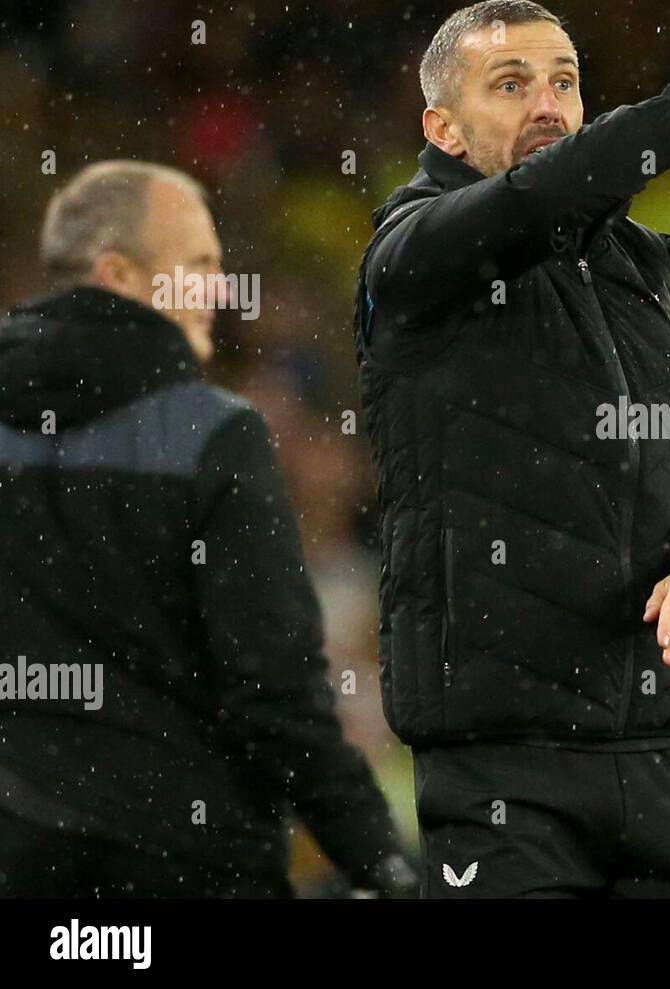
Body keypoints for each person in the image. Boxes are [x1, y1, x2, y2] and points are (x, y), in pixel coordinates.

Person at [353, 0, 670, 897]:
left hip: (661, 750)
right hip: (500, 763)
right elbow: (537, 197)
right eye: (510, 84)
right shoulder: (413, 255)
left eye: (565, 82)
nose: (547, 104)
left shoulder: (658, 272)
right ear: (441, 125)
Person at [0, 161, 415, 899]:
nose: (221, 292)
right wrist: (380, 857)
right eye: (196, 265)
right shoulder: (212, 433)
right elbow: (275, 690)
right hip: (183, 862)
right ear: (119, 274)